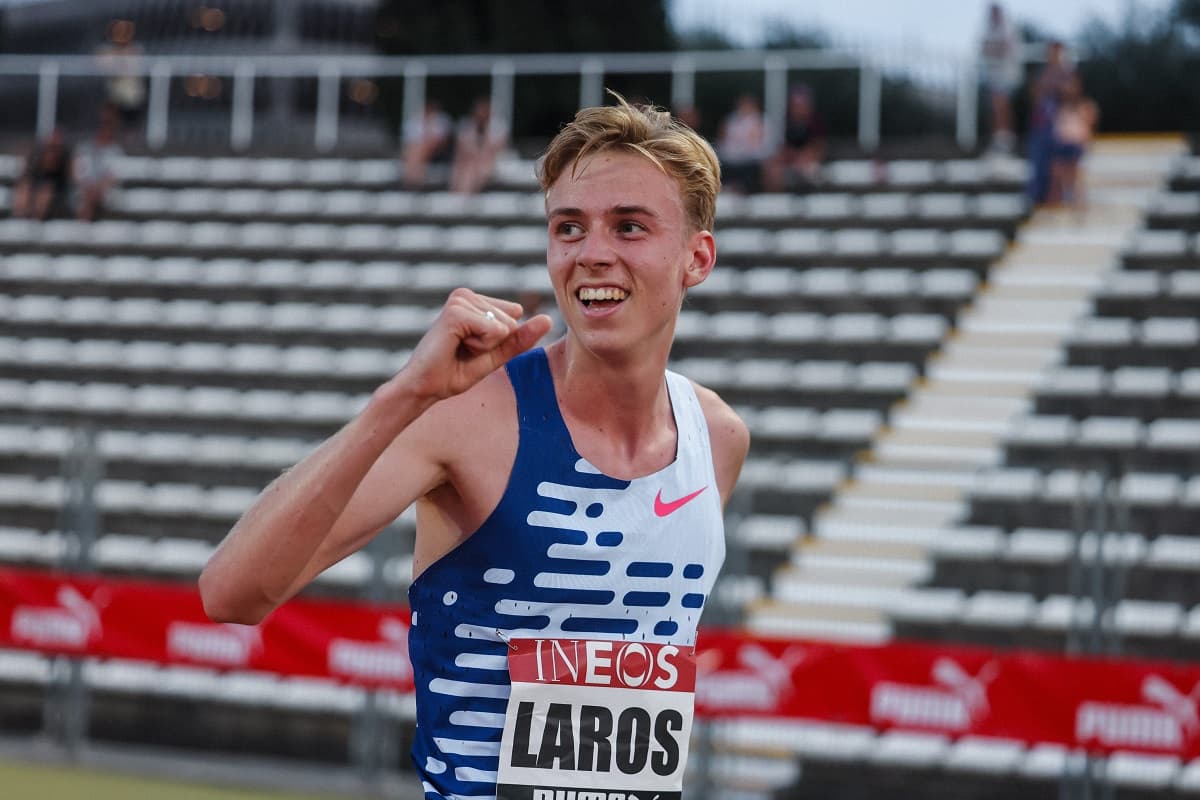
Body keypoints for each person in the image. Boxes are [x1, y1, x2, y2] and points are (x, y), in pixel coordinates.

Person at [199, 94, 749, 800]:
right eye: (569, 228)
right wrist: (404, 397)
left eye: (630, 226)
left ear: (696, 258)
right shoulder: (467, 415)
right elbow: (231, 593)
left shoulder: (717, 438)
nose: (592, 254)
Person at [1026, 40, 1074, 205]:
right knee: (1039, 162)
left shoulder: (1068, 74)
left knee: (1058, 164)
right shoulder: (1043, 74)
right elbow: (1035, 99)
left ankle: (1060, 196)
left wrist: (1057, 85)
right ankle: (1039, 196)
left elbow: (1072, 97)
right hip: (1042, 125)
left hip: (1061, 127)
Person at [762, 85, 826, 192]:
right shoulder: (785, 121)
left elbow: (819, 148)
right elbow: (780, 148)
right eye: (796, 105)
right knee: (771, 169)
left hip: (809, 161)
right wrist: (790, 156)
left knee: (812, 171)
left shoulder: (816, 122)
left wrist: (804, 157)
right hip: (789, 160)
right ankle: (776, 201)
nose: (798, 108)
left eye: (802, 105)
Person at [1048, 76, 1098, 211]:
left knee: (1075, 179)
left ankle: (1078, 208)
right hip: (1062, 144)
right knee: (1056, 177)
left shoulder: (1085, 105)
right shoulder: (1058, 106)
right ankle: (1055, 209)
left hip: (1075, 144)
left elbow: (1089, 127)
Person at [979, 3, 1022, 153]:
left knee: (1001, 106)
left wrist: (994, 48)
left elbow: (1004, 48)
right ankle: (999, 136)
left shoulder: (1007, 28)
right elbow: (985, 49)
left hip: (1006, 76)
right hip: (993, 77)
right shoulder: (988, 30)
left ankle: (1005, 137)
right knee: (996, 107)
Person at [73, 104, 124, 221]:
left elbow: (112, 178)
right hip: (86, 191)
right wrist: (88, 188)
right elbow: (76, 174)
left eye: (109, 123)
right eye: (102, 123)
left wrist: (96, 189)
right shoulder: (84, 148)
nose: (105, 128)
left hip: (102, 194)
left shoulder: (116, 152)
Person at [449, 97, 509, 194]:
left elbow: (494, 149)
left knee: (474, 170)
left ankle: (464, 197)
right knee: (466, 168)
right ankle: (462, 196)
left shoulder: (498, 127)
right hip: (468, 163)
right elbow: (462, 149)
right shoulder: (466, 126)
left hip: (489, 163)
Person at [12, 128, 73, 221]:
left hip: (57, 199)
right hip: (34, 193)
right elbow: (26, 178)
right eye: (51, 147)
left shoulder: (64, 165)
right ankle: (20, 220)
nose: (53, 153)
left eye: (56, 148)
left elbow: (68, 182)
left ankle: (34, 221)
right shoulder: (35, 164)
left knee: (45, 193)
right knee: (24, 190)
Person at [716, 93, 768, 193]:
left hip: (752, 160)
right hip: (731, 159)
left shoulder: (761, 121)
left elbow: (761, 145)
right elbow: (724, 141)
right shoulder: (731, 120)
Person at [401, 99, 454, 189]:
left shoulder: (442, 121)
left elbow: (442, 141)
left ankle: (413, 179)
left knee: (419, 149)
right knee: (414, 150)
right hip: (419, 152)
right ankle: (413, 177)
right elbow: (409, 142)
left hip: (437, 153)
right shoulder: (415, 121)